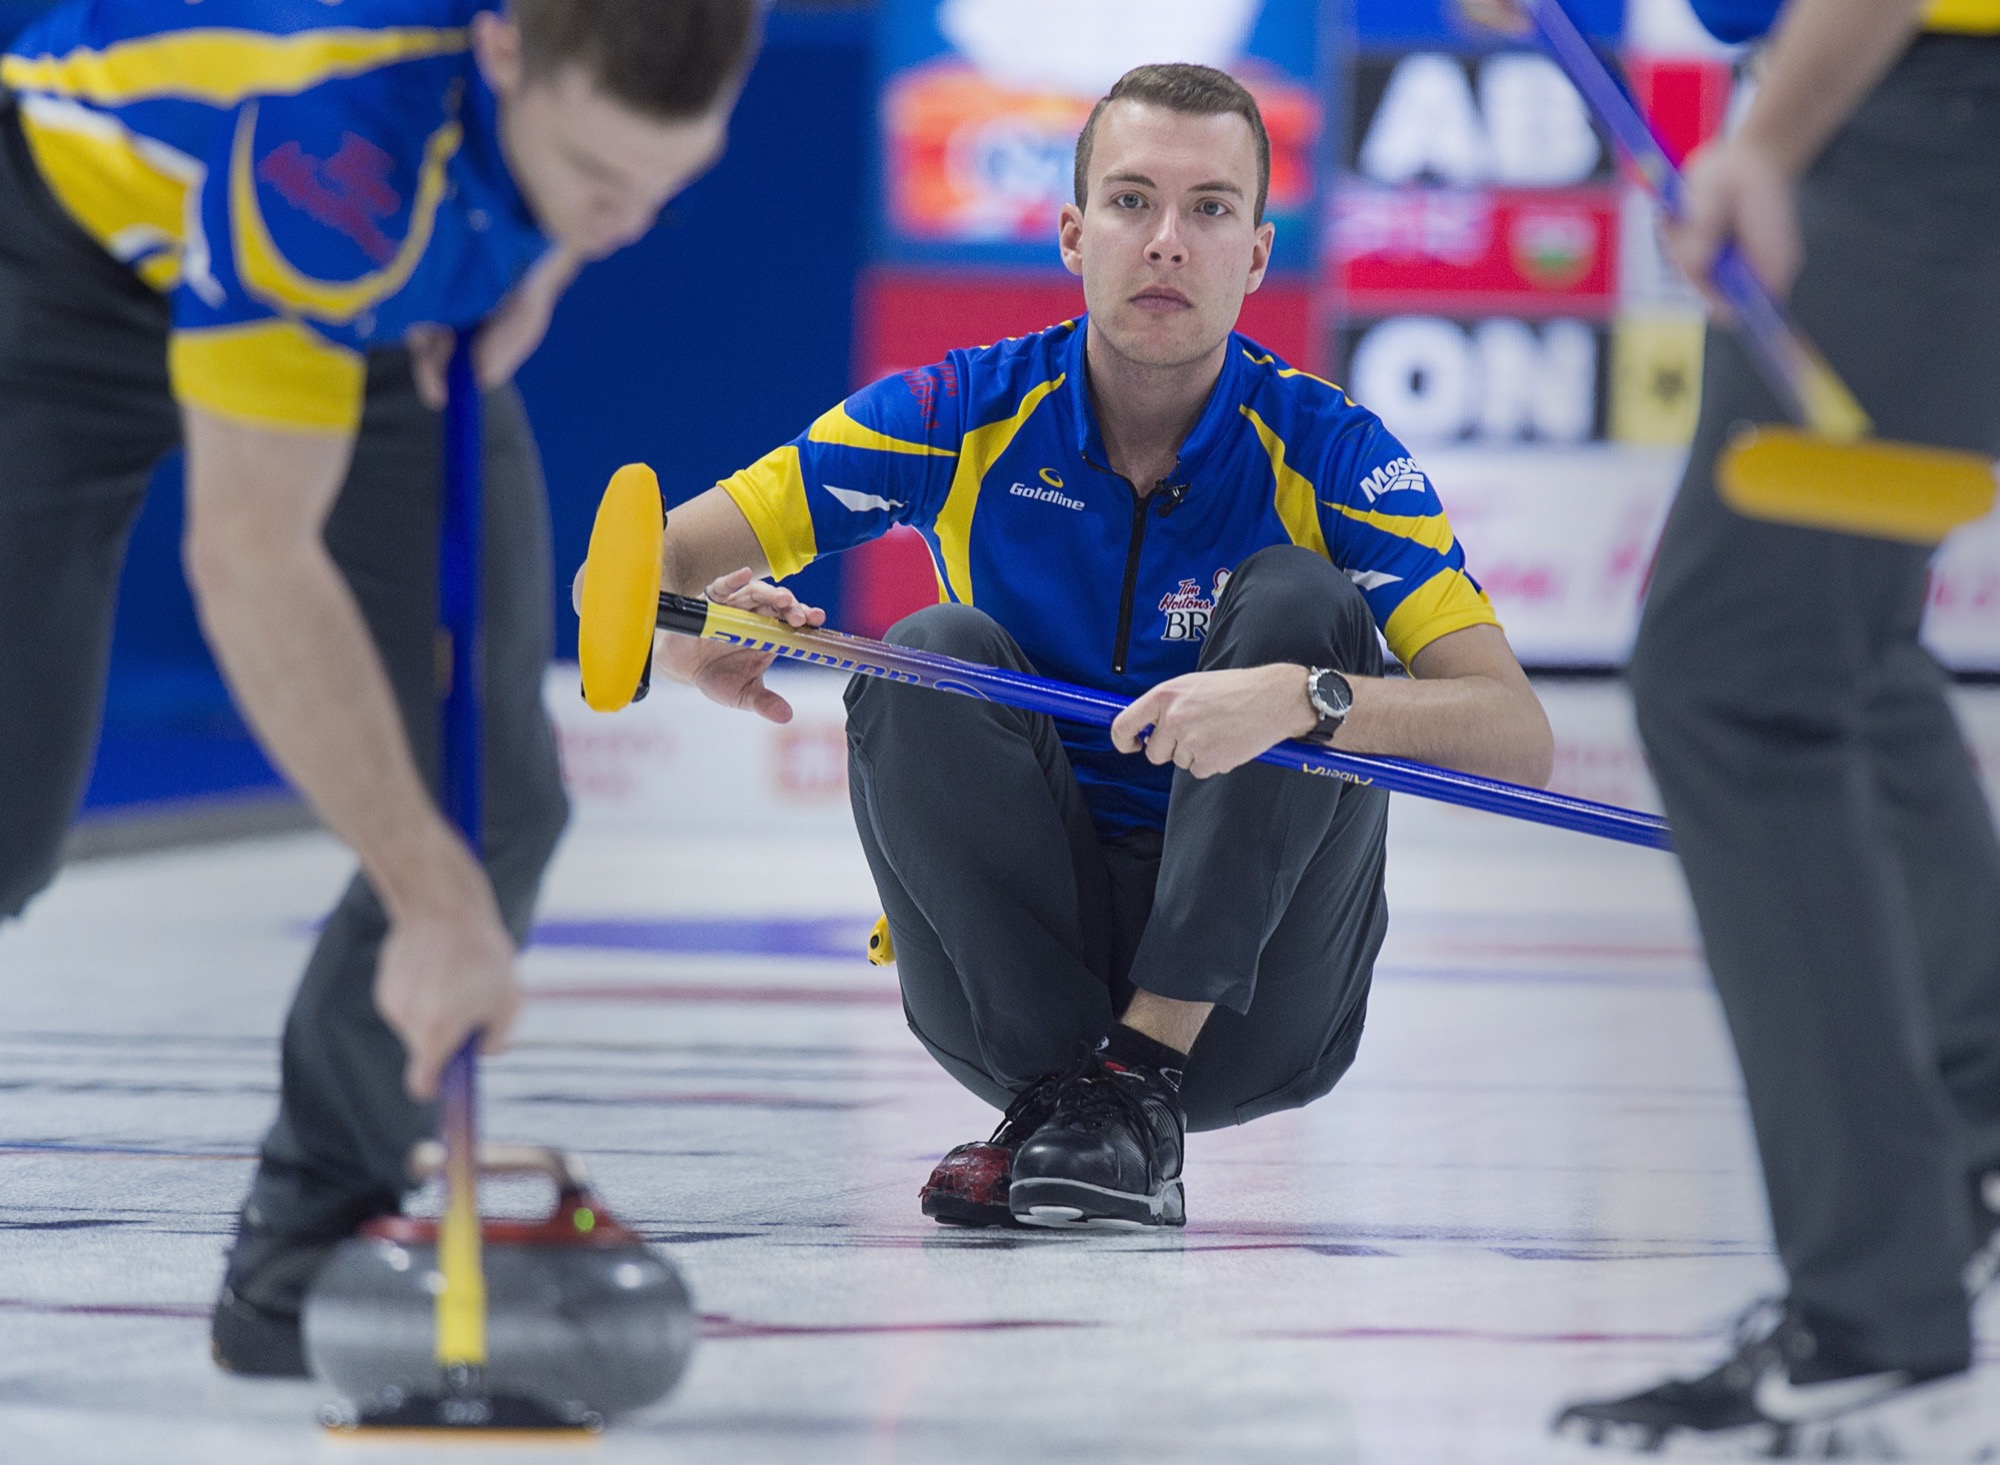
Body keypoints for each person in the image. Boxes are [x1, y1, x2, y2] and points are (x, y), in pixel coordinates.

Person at [596, 62, 1553, 1230]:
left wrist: (1307, 700)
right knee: (923, 648)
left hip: (1254, 1013)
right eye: (1130, 200)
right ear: (1071, 233)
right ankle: (1073, 1106)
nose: (1165, 242)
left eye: (1208, 210)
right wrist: (692, 646)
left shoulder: (1336, 454)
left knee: (1304, 604)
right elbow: (643, 568)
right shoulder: (960, 406)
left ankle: (1131, 1088)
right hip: (1014, 1005)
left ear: (1254, 255)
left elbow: (1514, 734)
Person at [0, 0, 760, 1373]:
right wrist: (424, 901)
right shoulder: (336, 138)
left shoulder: (572, 101)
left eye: (666, 187)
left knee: (499, 807)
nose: (624, 222)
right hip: (68, 263)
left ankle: (306, 1243)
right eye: (596, 179)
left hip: (391, 255)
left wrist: (541, 252)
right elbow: (248, 559)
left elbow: (591, 181)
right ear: (505, 47)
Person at [1468, 0, 2000, 1453]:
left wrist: (1770, 134)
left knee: (1740, 681)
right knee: (1843, 656)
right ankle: (1968, 1157)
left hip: (1923, 114)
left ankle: (1880, 1320)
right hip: (1915, 116)